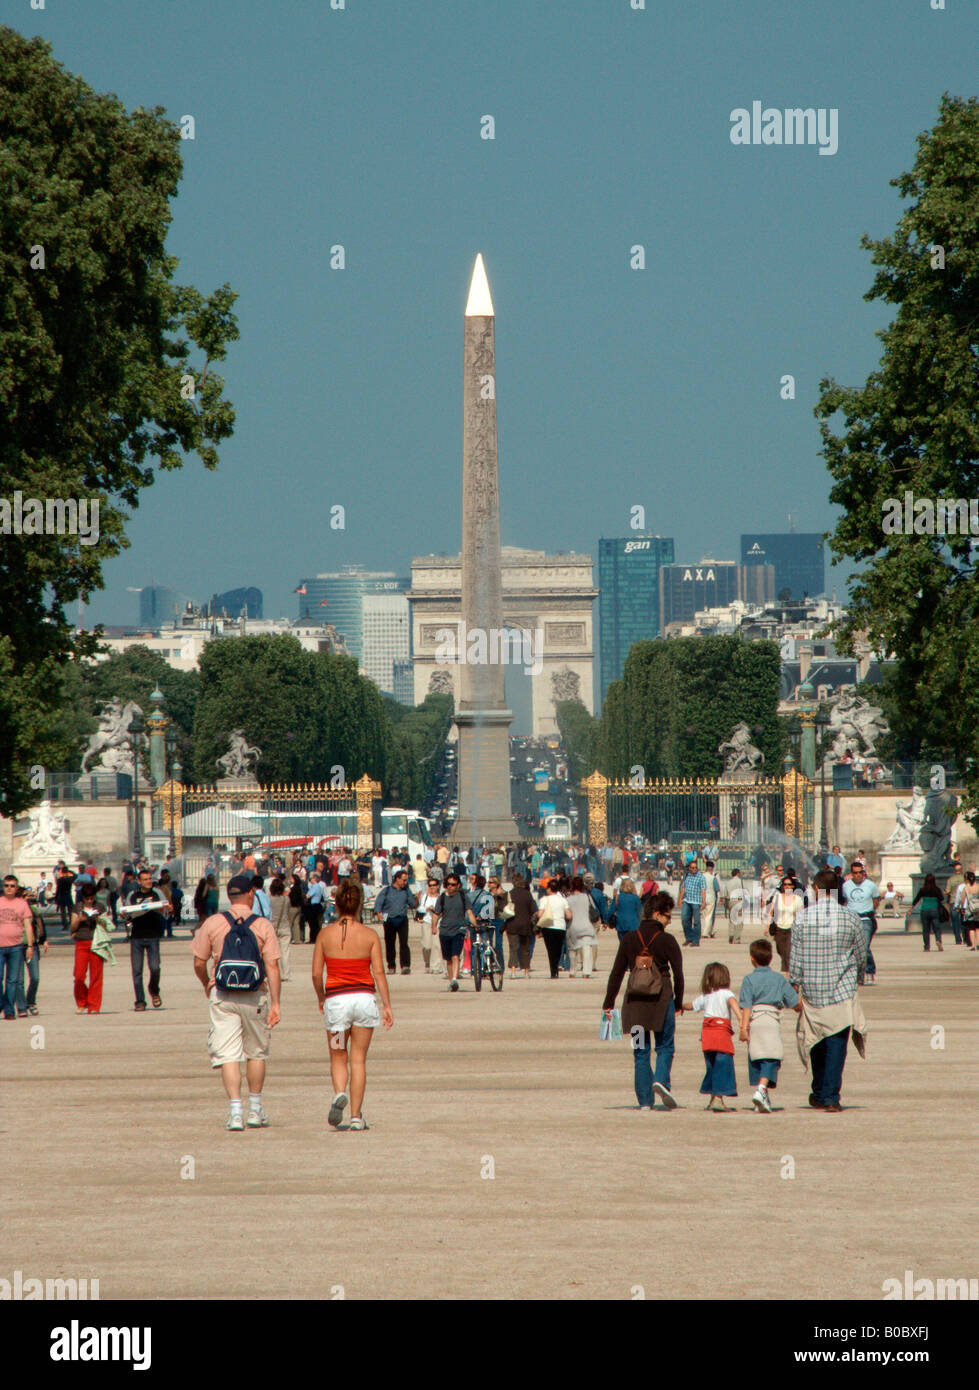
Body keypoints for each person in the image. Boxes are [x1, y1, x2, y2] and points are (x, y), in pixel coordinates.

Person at [191, 872, 282, 1130]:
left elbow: (199, 961)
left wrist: (207, 983)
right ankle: (255, 1109)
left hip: (223, 994)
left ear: (229, 896)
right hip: (255, 995)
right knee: (256, 1053)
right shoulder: (263, 925)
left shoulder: (213, 923)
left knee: (229, 1055)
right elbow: (272, 966)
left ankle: (235, 1112)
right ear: (251, 895)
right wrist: (276, 1003)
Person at [312, 879, 393, 1132]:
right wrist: (387, 1006)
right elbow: (379, 972)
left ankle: (339, 1093)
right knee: (358, 1060)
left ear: (335, 904)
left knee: (338, 1055)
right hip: (364, 1001)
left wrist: (321, 997)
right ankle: (357, 1116)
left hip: (337, 1002)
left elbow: (316, 974)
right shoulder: (370, 935)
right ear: (360, 904)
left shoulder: (325, 935)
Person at [789, 868, 869, 1112]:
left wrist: (795, 983)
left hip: (813, 987)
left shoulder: (802, 918)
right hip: (841, 988)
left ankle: (819, 1090)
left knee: (817, 1040)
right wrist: (857, 977)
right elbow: (860, 953)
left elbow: (796, 957)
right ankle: (831, 1095)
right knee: (837, 1043)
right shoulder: (851, 917)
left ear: (815, 888)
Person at [602, 891, 683, 1110]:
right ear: (657, 914)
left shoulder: (629, 939)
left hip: (634, 1005)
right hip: (662, 1001)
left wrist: (608, 1002)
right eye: (667, 916)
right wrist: (678, 1002)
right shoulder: (667, 940)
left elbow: (617, 973)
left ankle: (645, 1101)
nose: (669, 920)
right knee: (665, 1045)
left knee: (640, 1051)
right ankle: (661, 1080)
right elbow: (678, 975)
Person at [737, 938, 801, 1112]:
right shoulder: (779, 979)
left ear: (752, 958)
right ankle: (761, 1089)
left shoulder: (748, 980)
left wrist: (743, 1029)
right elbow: (794, 1002)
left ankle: (762, 1094)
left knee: (757, 1056)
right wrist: (800, 1006)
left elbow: (746, 1006)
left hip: (755, 1019)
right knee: (772, 1057)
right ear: (771, 958)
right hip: (771, 1019)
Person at [691, 962, 743, 1111]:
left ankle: (713, 1097)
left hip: (707, 1033)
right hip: (721, 1032)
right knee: (723, 1064)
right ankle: (718, 1098)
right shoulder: (727, 993)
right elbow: (733, 1004)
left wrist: (680, 1007)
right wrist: (741, 1019)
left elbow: (693, 1005)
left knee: (712, 1065)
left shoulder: (706, 996)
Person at [125, 868, 170, 1011]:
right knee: (137, 971)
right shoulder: (133, 895)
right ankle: (140, 1001)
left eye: (150, 878)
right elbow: (127, 914)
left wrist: (167, 909)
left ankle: (154, 989)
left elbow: (166, 911)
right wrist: (126, 915)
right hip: (137, 936)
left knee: (155, 967)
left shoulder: (157, 893)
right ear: (139, 881)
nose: (149, 881)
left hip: (153, 935)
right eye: (145, 879)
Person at [430, 874, 479, 992]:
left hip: (459, 930)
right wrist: (434, 926)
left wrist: (476, 925)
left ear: (458, 885)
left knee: (455, 955)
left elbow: (469, 912)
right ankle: (451, 980)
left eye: (453, 884)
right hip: (445, 931)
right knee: (448, 959)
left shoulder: (463, 897)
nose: (450, 887)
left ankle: (455, 979)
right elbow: (436, 914)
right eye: (448, 884)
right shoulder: (442, 898)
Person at [0, 875, 35, 1020]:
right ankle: (2, 1003)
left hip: (16, 946)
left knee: (12, 980)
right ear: (3, 887)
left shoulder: (22, 904)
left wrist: (30, 946)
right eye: (7, 885)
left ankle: (9, 1010)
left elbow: (28, 925)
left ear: (16, 888)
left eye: (12, 886)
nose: (9, 888)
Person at [841, 861, 881, 983]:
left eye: (860, 872)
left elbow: (876, 899)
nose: (858, 875)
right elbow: (845, 900)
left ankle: (867, 971)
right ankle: (857, 973)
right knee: (851, 947)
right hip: (851, 919)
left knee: (864, 947)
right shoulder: (846, 886)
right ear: (851, 873)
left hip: (865, 919)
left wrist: (871, 910)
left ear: (863, 873)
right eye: (855, 873)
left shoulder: (871, 885)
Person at [374, 868, 418, 975]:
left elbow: (413, 905)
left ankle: (405, 966)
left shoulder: (406, 891)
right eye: (404, 880)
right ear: (397, 879)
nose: (405, 882)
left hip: (402, 919)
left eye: (406, 880)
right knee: (390, 944)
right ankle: (391, 966)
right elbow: (378, 903)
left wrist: (417, 898)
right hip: (389, 920)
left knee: (404, 944)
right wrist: (379, 914)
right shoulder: (387, 890)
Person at [70, 882, 104, 1015]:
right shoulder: (77, 907)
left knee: (96, 975)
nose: (89, 901)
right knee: (78, 975)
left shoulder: (100, 907)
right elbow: (72, 927)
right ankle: (82, 1001)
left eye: (92, 898)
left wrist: (99, 919)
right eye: (87, 898)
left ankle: (94, 1005)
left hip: (96, 942)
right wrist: (80, 919)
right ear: (83, 897)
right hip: (82, 942)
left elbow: (107, 926)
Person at [15, 887, 47, 1016]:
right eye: (25, 896)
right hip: (15, 946)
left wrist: (44, 939)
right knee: (19, 980)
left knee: (35, 977)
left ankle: (30, 1000)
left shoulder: (33, 910)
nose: (28, 898)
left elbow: (40, 925)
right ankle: (22, 1007)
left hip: (31, 945)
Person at [765, 874, 803, 974]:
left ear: (793, 886)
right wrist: (767, 926)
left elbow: (801, 915)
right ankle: (788, 968)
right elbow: (771, 912)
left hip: (792, 929)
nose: (787, 886)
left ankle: (787, 974)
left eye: (789, 884)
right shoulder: (777, 897)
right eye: (785, 884)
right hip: (779, 929)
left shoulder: (798, 899)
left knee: (787, 952)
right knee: (780, 950)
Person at [535, 878, 571, 979]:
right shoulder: (563, 900)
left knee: (550, 950)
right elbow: (568, 915)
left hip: (548, 927)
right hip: (561, 927)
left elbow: (540, 914)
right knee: (558, 949)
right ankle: (556, 968)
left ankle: (553, 971)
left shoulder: (544, 900)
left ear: (549, 889)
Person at [504, 872, 537, 979]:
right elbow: (533, 910)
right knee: (525, 948)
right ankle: (526, 971)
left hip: (512, 924)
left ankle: (513, 971)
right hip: (525, 924)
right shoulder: (528, 894)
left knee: (513, 948)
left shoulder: (510, 893)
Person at [565, 876, 598, 977]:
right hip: (586, 924)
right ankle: (586, 972)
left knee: (573, 949)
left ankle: (572, 970)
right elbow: (593, 908)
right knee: (586, 948)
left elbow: (567, 914)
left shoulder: (568, 899)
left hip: (573, 926)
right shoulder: (586, 897)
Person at [266, 877, 292, 980]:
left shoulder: (269, 900)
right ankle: (286, 974)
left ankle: (271, 973)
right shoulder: (286, 899)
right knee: (285, 951)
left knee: (271, 952)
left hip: (272, 927)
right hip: (284, 926)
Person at [677, 857, 707, 947]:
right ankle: (689, 937)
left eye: (695, 867)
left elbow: (703, 890)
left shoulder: (701, 877)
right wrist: (679, 899)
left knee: (696, 922)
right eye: (692, 868)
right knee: (684, 919)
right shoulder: (687, 876)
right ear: (689, 868)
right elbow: (683, 888)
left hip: (696, 901)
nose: (694, 869)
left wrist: (703, 902)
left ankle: (696, 940)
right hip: (686, 900)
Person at [417, 875, 444, 974]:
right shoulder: (425, 896)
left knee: (437, 945)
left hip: (438, 923)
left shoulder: (441, 898)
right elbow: (419, 909)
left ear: (438, 886)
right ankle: (427, 963)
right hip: (427, 921)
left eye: (434, 885)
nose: (432, 887)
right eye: (430, 885)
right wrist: (427, 908)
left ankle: (435, 966)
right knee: (426, 945)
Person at [911, 873, 944, 952]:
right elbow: (941, 898)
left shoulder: (923, 889)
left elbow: (916, 899)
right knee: (937, 928)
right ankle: (938, 940)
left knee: (926, 930)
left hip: (925, 910)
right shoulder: (937, 889)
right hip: (934, 910)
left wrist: (911, 908)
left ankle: (927, 947)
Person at [954, 870, 979, 950]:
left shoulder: (966, 888)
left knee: (971, 928)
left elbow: (962, 899)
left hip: (970, 909)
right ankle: (978, 944)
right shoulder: (978, 887)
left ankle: (972, 945)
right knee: (978, 928)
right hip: (978, 908)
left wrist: (961, 907)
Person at [701, 860, 721, 939]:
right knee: (709, 916)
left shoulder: (701, 876)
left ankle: (708, 931)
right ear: (712, 868)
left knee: (704, 916)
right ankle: (706, 933)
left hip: (702, 897)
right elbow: (717, 889)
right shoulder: (713, 878)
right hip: (711, 898)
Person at [305, 872, 327, 946]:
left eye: (311, 878)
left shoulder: (315, 886)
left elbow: (308, 895)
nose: (310, 879)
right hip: (317, 905)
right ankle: (315, 938)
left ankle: (313, 938)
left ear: (314, 879)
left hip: (314, 906)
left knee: (313, 923)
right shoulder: (318, 886)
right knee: (316, 923)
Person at [726, 869, 746, 944]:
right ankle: (737, 938)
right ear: (738, 874)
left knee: (731, 919)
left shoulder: (728, 882)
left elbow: (725, 894)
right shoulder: (741, 881)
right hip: (739, 901)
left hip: (731, 900)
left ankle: (731, 934)